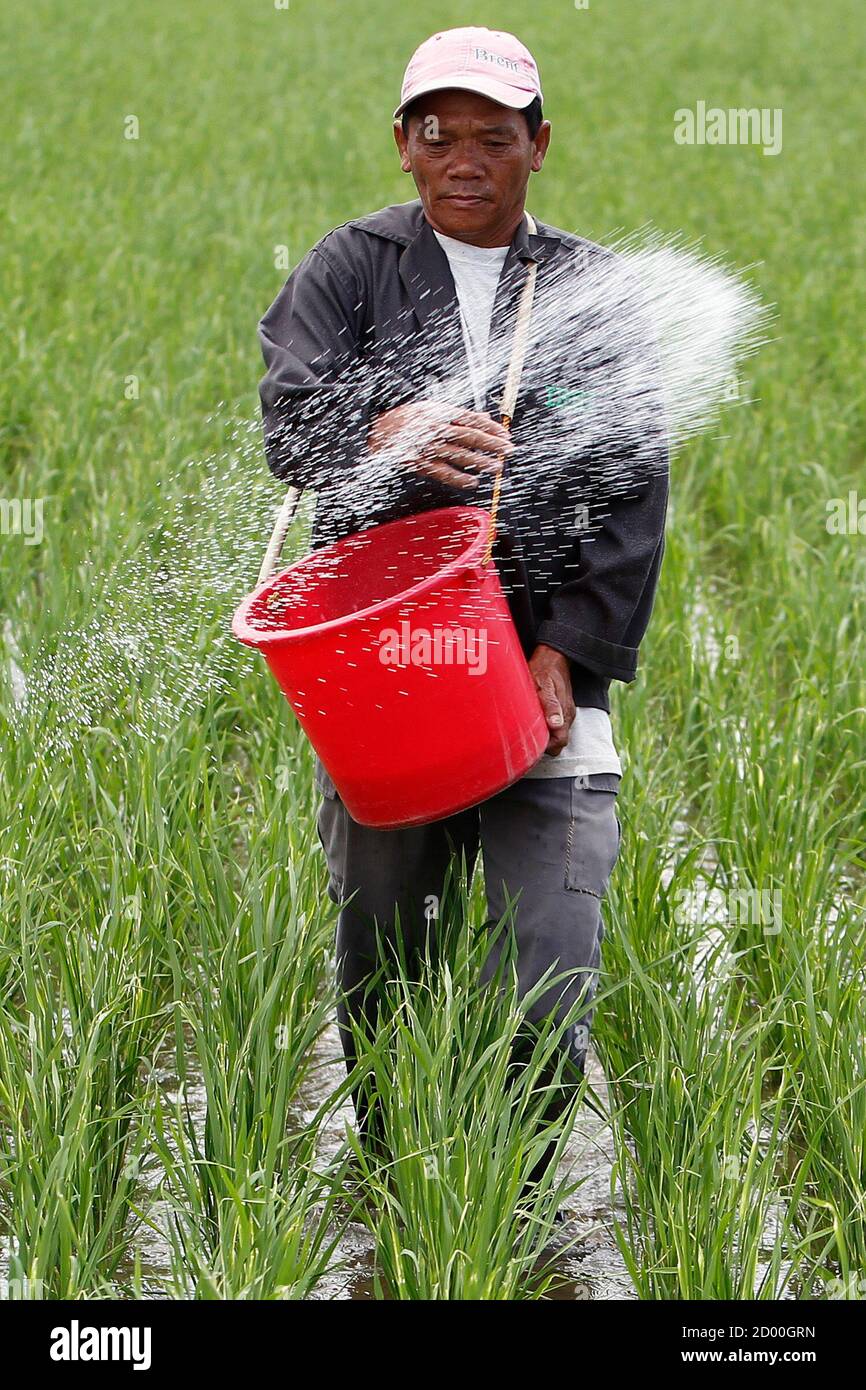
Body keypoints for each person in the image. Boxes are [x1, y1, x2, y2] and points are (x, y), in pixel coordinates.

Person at [256, 27, 669, 1194]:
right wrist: (385, 432)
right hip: (389, 671)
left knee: (548, 958)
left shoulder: (591, 289)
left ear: (539, 146)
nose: (465, 159)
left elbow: (634, 485)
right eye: (438, 134)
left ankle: (513, 1200)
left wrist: (566, 650)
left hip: (542, 678)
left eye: (496, 136)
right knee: (381, 954)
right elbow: (292, 428)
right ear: (402, 146)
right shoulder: (346, 271)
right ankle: (397, 1182)